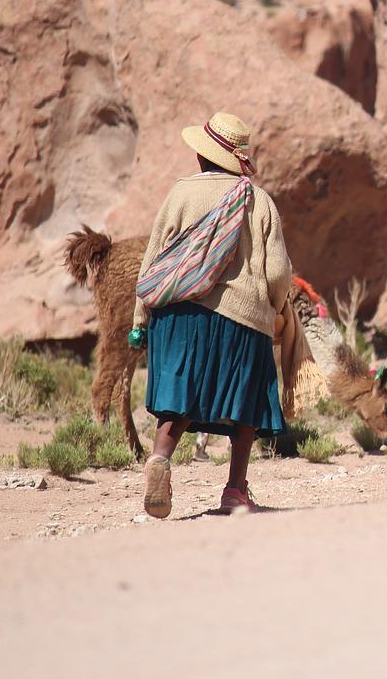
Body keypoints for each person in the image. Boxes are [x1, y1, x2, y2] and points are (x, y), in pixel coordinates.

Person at [132, 112, 292, 518]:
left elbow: (153, 260)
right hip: (240, 320)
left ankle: (160, 459)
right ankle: (235, 490)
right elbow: (276, 271)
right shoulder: (258, 201)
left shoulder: (181, 193)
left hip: (178, 314)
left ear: (203, 159)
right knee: (246, 400)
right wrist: (272, 308)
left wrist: (140, 320)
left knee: (180, 396)